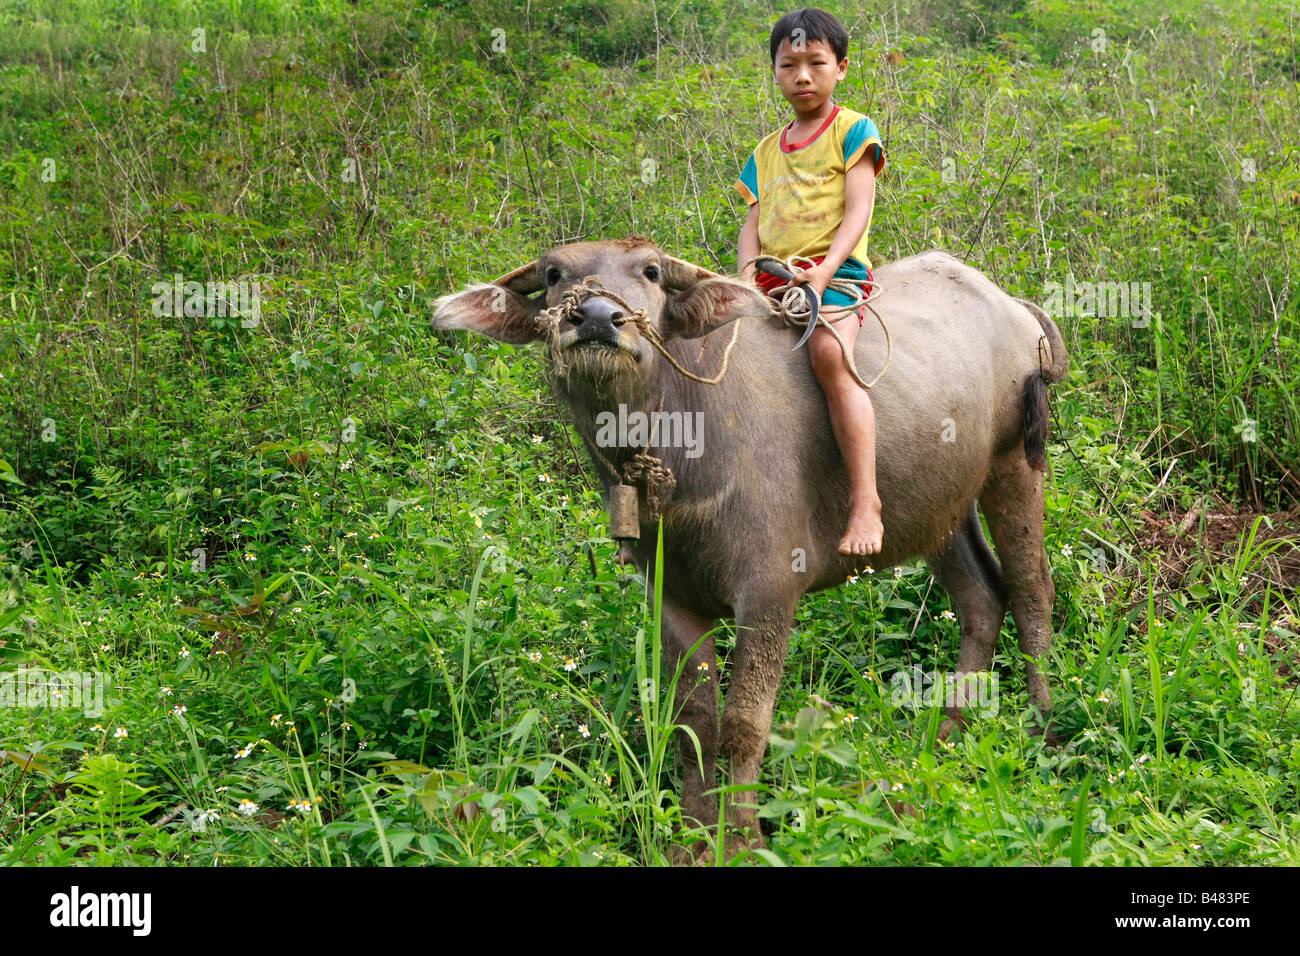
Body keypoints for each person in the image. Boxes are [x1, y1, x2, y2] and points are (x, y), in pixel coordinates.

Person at [734, 7, 887, 558]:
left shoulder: (854, 130)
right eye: (789, 64)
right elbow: (751, 229)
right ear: (774, 71)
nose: (802, 76)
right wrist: (747, 277)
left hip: (836, 277)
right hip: (774, 281)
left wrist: (824, 271)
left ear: (840, 68)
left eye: (816, 63)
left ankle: (865, 500)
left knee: (827, 353)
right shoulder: (765, 151)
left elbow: (858, 211)